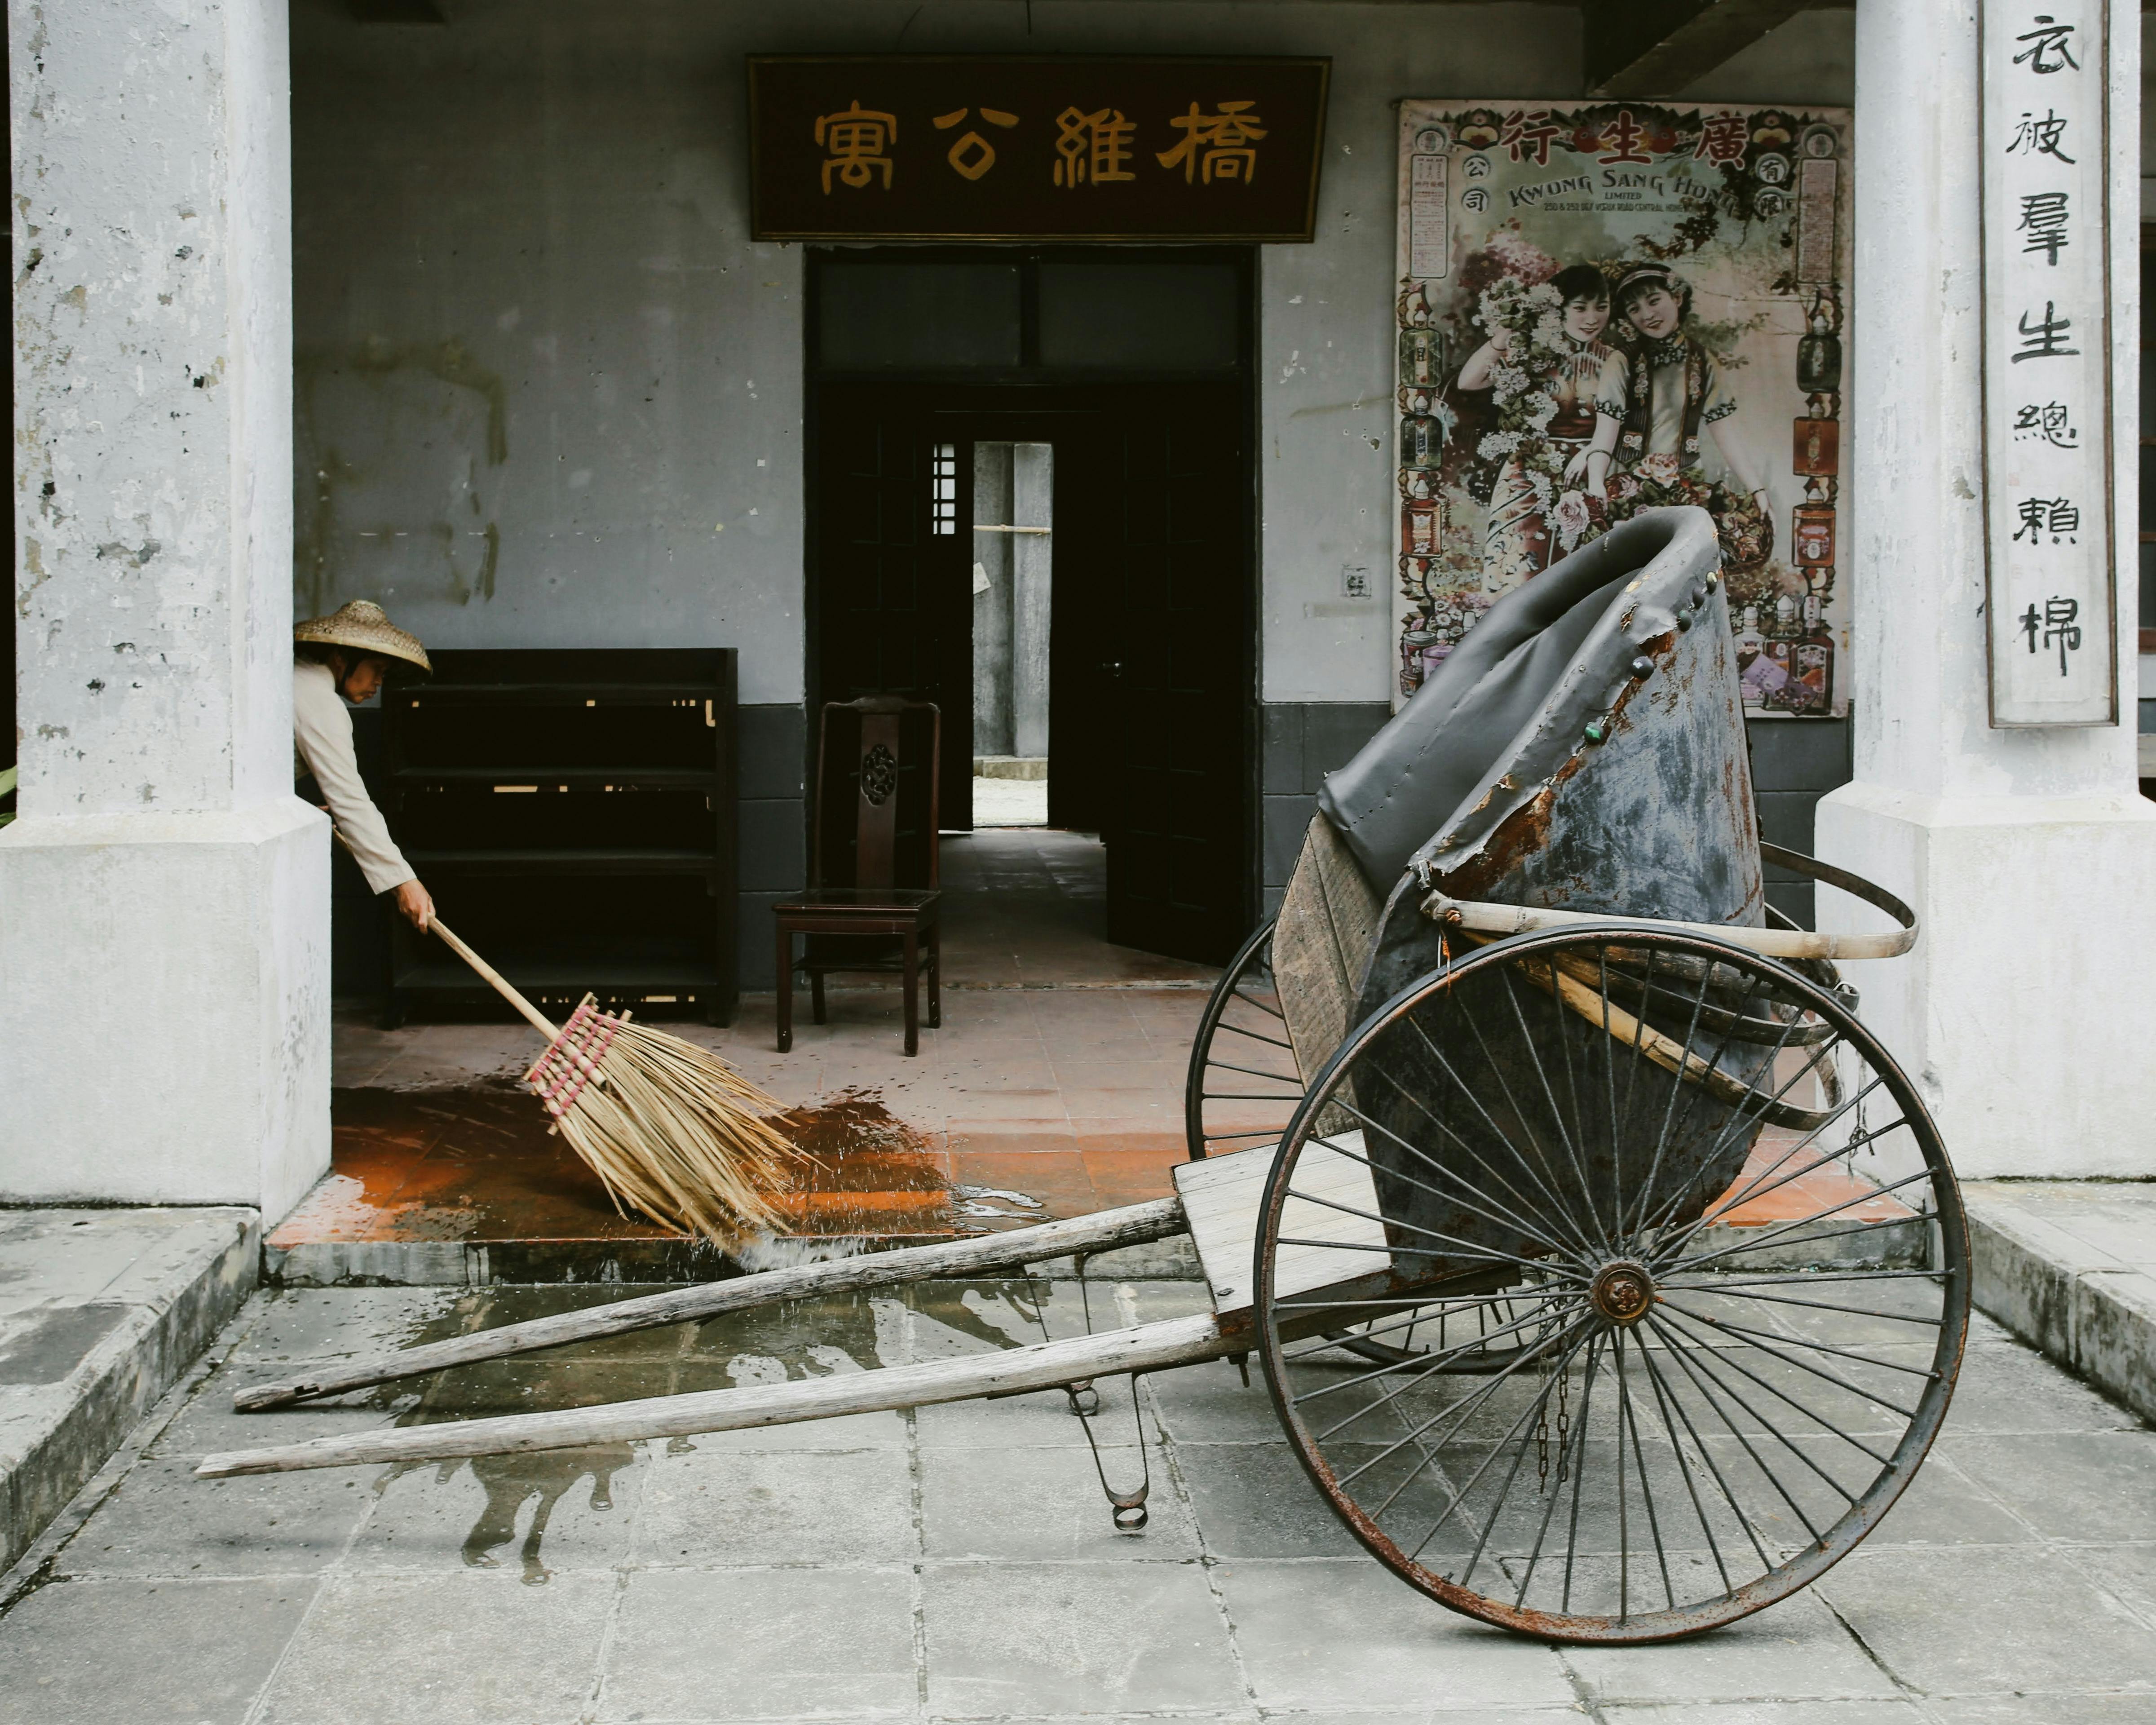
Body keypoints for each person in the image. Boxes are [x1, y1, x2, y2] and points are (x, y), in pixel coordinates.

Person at [1456, 263, 1630, 591]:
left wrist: (1593, 453)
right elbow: (1470, 381)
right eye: (1580, 308)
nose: (1592, 318)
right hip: (1528, 470)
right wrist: (1507, 333)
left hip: (1593, 467)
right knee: (1521, 570)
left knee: (1584, 578)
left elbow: (1622, 422)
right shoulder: (1535, 354)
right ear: (1560, 309)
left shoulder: (1615, 359)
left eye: (1601, 307)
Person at [1607, 262, 1772, 558]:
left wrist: (1757, 490)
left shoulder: (1702, 360)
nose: (1647, 315)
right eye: (1634, 309)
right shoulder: (1623, 361)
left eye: (1654, 301)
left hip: (1686, 487)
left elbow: (1725, 433)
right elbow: (1604, 433)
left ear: (1678, 298)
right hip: (1628, 486)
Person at [292, 599, 435, 930]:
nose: (379, 683)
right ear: (341, 659)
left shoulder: (299, 682)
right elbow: (350, 800)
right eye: (377, 670)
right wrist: (404, 882)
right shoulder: (319, 700)